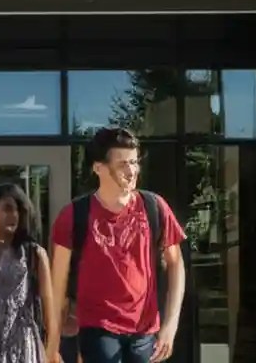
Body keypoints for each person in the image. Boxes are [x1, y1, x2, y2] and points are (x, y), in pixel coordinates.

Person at [49, 127, 186, 363]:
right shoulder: (74, 215)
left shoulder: (155, 207)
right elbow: (57, 283)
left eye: (134, 162)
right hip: (98, 329)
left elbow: (176, 265)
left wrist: (170, 325)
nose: (131, 171)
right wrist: (52, 344)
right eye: (122, 163)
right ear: (98, 167)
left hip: (145, 331)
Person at [0, 183, 56, 363]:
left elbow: (49, 310)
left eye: (18, 209)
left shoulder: (34, 254)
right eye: (7, 209)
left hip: (24, 343)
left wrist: (52, 351)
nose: (14, 215)